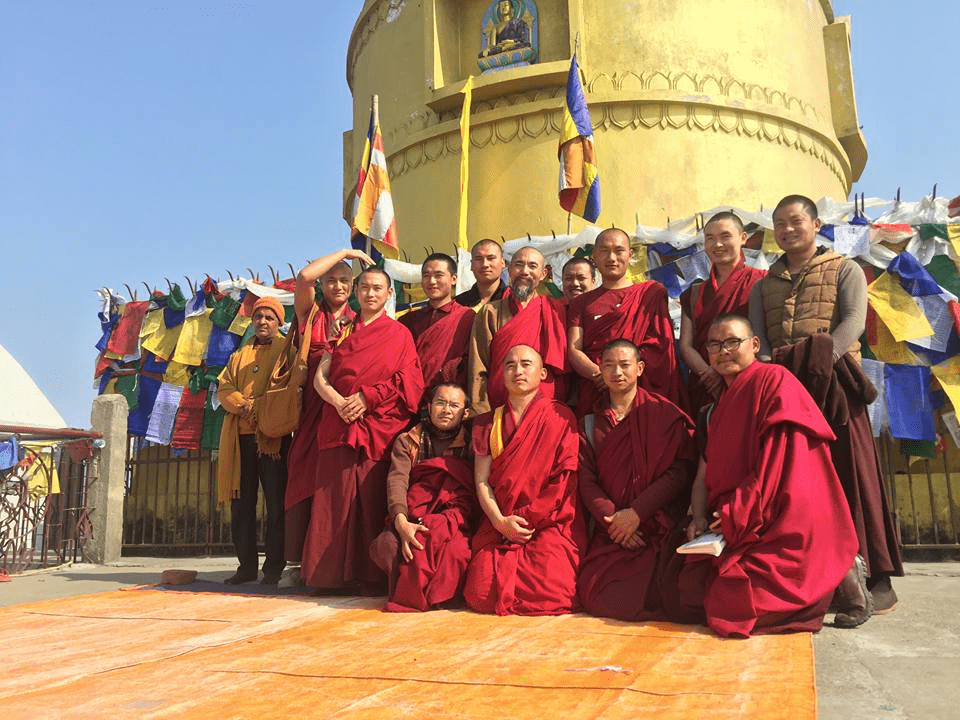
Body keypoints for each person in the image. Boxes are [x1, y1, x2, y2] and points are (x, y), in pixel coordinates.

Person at [748, 194, 903, 618]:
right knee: (800, 484)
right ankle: (819, 577)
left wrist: (820, 360)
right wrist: (778, 373)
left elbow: (853, 320)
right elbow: (760, 340)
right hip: (785, 387)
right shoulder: (763, 284)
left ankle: (875, 577)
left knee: (853, 475)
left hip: (836, 382)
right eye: (779, 224)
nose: (787, 230)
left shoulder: (845, 268)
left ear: (816, 226)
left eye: (796, 221)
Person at [667, 315, 860, 638]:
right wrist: (700, 517)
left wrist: (736, 512)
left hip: (781, 514)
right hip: (740, 518)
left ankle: (842, 569)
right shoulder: (715, 407)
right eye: (714, 345)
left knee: (737, 608)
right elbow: (706, 468)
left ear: (755, 345)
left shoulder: (774, 381)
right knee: (687, 594)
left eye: (732, 342)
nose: (723, 351)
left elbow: (781, 461)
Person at [301, 267, 425, 593]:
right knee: (335, 501)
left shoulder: (398, 335)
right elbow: (320, 378)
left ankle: (369, 576)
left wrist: (367, 397)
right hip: (338, 421)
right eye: (365, 288)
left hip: (376, 425)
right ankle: (327, 576)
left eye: (378, 288)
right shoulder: (341, 330)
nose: (371, 294)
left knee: (369, 498)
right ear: (356, 293)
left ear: (388, 294)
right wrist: (340, 402)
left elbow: (409, 383)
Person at [577, 339, 696, 621]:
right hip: (612, 532)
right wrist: (615, 520)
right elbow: (585, 478)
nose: (617, 372)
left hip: (655, 526)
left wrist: (637, 513)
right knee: (595, 594)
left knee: (669, 592)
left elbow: (680, 470)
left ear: (640, 368)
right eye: (609, 365)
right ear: (600, 370)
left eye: (624, 365)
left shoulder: (663, 414)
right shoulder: (590, 423)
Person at [464, 344, 584, 615]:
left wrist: (526, 520)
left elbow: (563, 481)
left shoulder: (560, 417)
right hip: (501, 521)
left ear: (542, 373)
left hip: (547, 522)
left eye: (526, 364)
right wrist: (500, 522)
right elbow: (482, 481)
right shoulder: (488, 422)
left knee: (554, 591)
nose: (518, 370)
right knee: (480, 594)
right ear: (501, 375)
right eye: (510, 365)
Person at [280, 249, 365, 589]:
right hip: (312, 406)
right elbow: (303, 278)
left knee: (338, 483)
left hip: (345, 408)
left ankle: (335, 560)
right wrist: (345, 252)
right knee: (302, 477)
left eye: (346, 281)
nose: (339, 286)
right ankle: (293, 563)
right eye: (332, 280)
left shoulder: (361, 320)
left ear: (354, 287)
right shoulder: (310, 314)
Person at [369, 383, 477, 612]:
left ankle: (439, 597)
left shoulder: (472, 444)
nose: (446, 410)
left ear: (465, 413)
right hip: (414, 517)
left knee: (457, 553)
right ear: (429, 406)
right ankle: (403, 592)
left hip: (453, 522)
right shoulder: (408, 441)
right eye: (440, 403)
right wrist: (401, 522)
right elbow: (397, 481)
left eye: (454, 405)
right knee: (388, 546)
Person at [568, 228, 681, 415]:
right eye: (604, 251)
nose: (612, 258)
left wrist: (623, 374)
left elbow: (660, 348)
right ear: (594, 257)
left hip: (641, 392)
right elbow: (573, 349)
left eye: (619, 251)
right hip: (596, 389)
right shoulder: (581, 302)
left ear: (630, 255)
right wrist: (600, 374)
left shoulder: (650, 294)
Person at [217, 296, 289, 585]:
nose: (263, 322)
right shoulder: (239, 354)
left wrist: (261, 408)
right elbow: (224, 388)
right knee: (241, 504)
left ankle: (273, 568)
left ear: (279, 322)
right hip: (241, 439)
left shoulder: (288, 350)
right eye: (259, 317)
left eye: (269, 318)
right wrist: (243, 404)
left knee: (276, 504)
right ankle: (246, 567)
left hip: (274, 438)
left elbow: (290, 386)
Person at [678, 212, 765, 413]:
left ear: (743, 238)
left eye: (725, 236)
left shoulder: (761, 282)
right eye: (710, 238)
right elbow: (685, 345)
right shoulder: (695, 292)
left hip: (749, 380)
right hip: (704, 384)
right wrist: (709, 374)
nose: (717, 244)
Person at [467, 246, 568, 414]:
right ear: (509, 269)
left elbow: (563, 367)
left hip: (546, 408)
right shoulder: (490, 312)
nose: (525, 271)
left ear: (544, 274)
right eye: (519, 265)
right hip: (499, 407)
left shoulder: (556, 310)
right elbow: (478, 365)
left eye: (532, 266)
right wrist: (481, 410)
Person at [400, 253, 476, 392]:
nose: (432, 281)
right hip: (411, 396)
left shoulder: (466, 317)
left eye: (438, 275)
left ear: (453, 279)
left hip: (449, 398)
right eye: (426, 276)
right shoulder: (408, 321)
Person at [455, 239, 507, 310]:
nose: (485, 264)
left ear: (503, 262)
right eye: (478, 259)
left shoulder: (512, 300)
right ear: (471, 265)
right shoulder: (458, 304)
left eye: (491, 258)